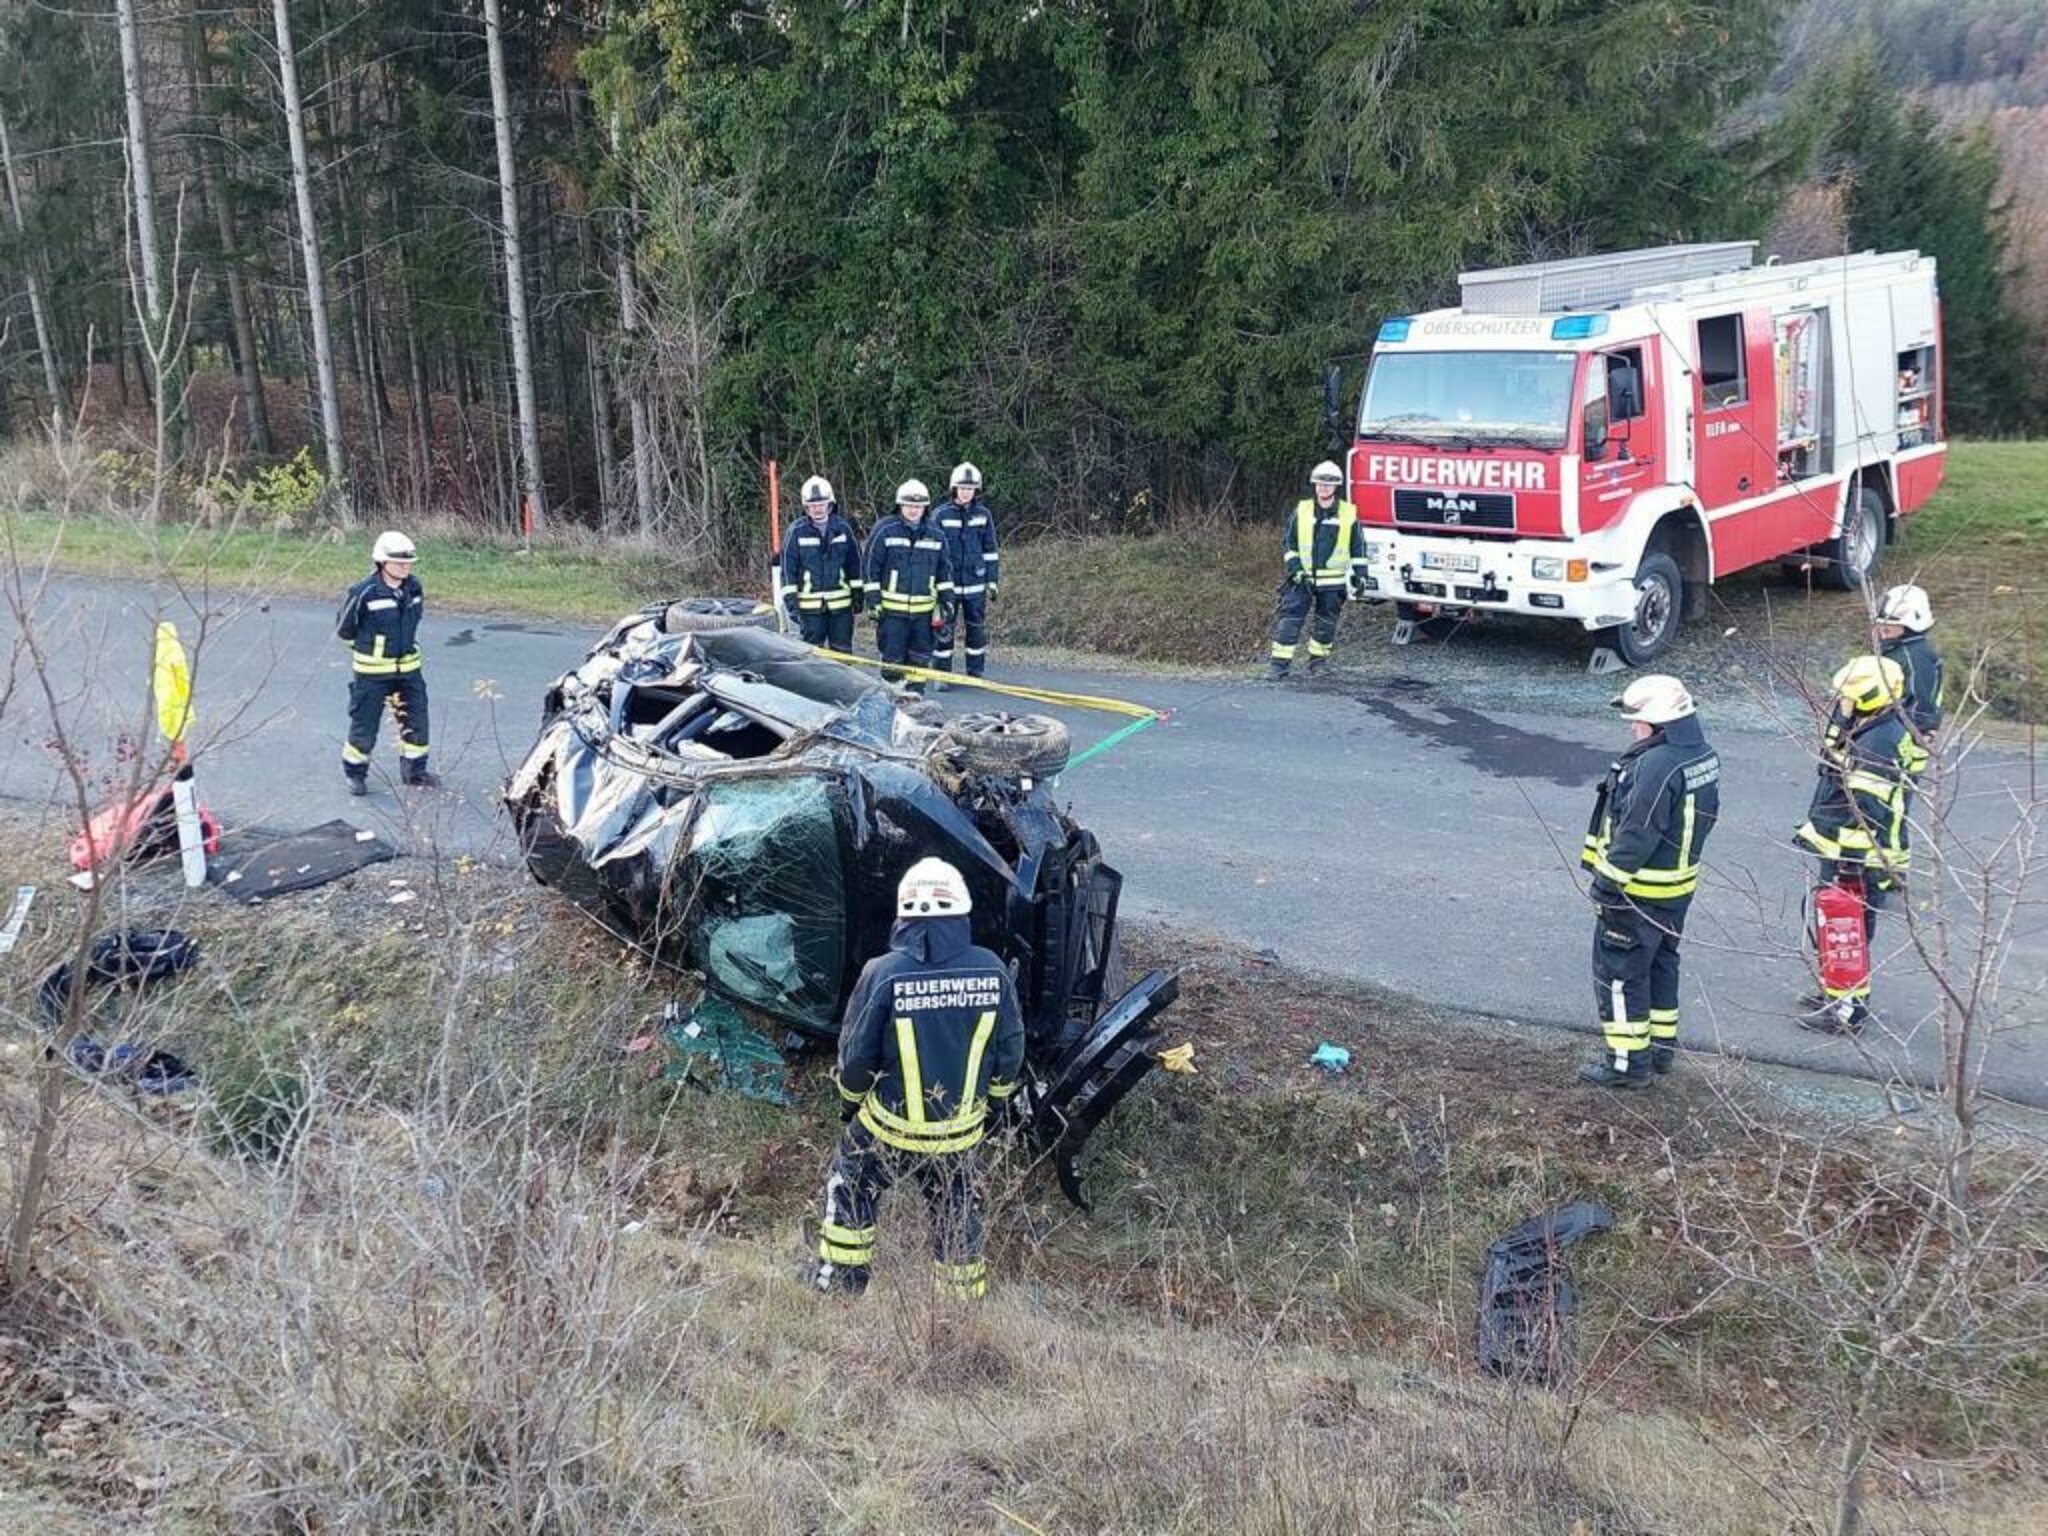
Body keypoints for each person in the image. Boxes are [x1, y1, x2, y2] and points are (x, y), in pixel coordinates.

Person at [814, 857, 1024, 1300]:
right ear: (962, 910)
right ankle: (959, 1306)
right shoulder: (992, 970)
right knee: (958, 1209)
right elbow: (1010, 1051)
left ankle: (841, 1285)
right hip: (959, 1134)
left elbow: (856, 1059)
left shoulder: (883, 972)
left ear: (903, 914)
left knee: (850, 1186)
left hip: (887, 1129)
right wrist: (995, 1106)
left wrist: (850, 1102)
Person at [1577, 674, 1720, 1087]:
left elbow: (1638, 832)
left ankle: (1627, 1066)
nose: (1631, 727)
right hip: (1676, 890)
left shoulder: (1657, 765)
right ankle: (1659, 1051)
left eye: (1636, 720)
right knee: (1661, 965)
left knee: (1621, 976)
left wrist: (1607, 882)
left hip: (1636, 894)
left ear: (1659, 723)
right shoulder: (1701, 755)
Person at [1795, 655, 1927, 1034]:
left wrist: (1848, 864)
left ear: (1870, 696)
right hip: (1848, 850)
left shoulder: (1879, 743)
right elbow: (1834, 756)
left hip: (1856, 856)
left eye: (1848, 697)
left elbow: (1865, 811)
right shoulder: (1875, 724)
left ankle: (1846, 1011)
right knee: (1830, 922)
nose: (1841, 703)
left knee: (1845, 929)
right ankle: (1835, 993)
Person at [335, 530, 437, 795]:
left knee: (417, 721)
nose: (405, 566)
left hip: (409, 671)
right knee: (365, 725)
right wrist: (369, 653)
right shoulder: (363, 592)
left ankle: (415, 772)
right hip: (372, 675)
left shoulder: (414, 588)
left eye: (408, 562)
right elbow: (345, 631)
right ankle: (355, 774)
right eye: (399, 562)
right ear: (382, 562)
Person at [1266, 461, 1364, 679]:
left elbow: (1358, 548)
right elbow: (1289, 543)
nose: (1324, 488)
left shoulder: (1348, 513)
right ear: (1315, 485)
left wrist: (1361, 576)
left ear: (1336, 487)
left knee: (1325, 625)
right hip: (1301, 579)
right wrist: (1295, 569)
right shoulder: (1303, 510)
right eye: (1320, 484)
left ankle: (1318, 664)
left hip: (1333, 582)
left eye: (1328, 485)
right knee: (1290, 621)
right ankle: (1279, 667)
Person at [864, 479, 954, 691]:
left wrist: (947, 600)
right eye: (909, 505)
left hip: (923, 617)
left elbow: (944, 571)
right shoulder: (884, 530)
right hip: (892, 614)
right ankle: (891, 706)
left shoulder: (936, 534)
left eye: (918, 506)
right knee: (892, 665)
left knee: (919, 663)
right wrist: (873, 601)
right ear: (900, 505)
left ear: (925, 507)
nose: (913, 510)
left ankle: (916, 707)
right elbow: (870, 568)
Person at [780, 475, 864, 653]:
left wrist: (858, 595)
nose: (817, 509)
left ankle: (843, 683)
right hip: (810, 609)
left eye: (821, 504)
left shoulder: (843, 528)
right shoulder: (796, 532)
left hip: (841, 607)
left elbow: (854, 565)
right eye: (812, 505)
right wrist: (792, 604)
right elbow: (788, 571)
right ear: (806, 507)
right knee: (812, 656)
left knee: (843, 655)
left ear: (830, 504)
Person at [932, 462, 1001, 680]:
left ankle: (975, 672)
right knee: (944, 630)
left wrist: (992, 580)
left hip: (975, 584)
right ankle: (942, 675)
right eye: (962, 488)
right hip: (948, 585)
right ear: (954, 488)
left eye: (970, 489)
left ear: (976, 491)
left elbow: (990, 549)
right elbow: (932, 552)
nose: (966, 493)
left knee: (976, 630)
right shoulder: (940, 515)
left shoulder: (983, 514)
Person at [1875, 583, 1944, 744]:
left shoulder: (1917, 658)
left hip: (1906, 738)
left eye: (1887, 630)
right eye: (1879, 629)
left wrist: (1921, 733)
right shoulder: (1896, 648)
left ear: (1910, 627)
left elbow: (1921, 701)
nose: (1882, 636)